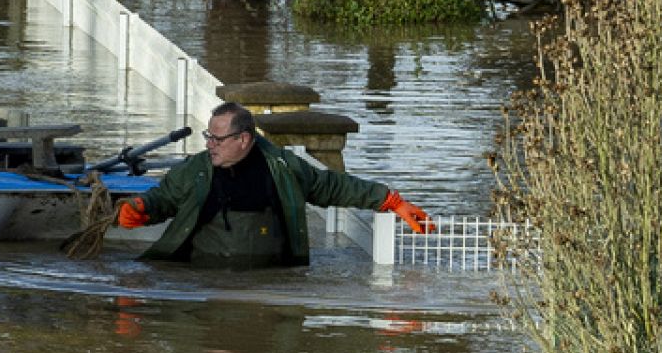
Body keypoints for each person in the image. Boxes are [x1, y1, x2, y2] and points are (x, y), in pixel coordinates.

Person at [115, 101, 435, 267]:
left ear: (243, 139)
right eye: (208, 136)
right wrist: (139, 208)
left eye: (217, 138)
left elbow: (331, 186)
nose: (210, 144)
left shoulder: (282, 167)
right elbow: (163, 199)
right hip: (203, 282)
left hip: (272, 280)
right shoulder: (195, 169)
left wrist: (390, 201)